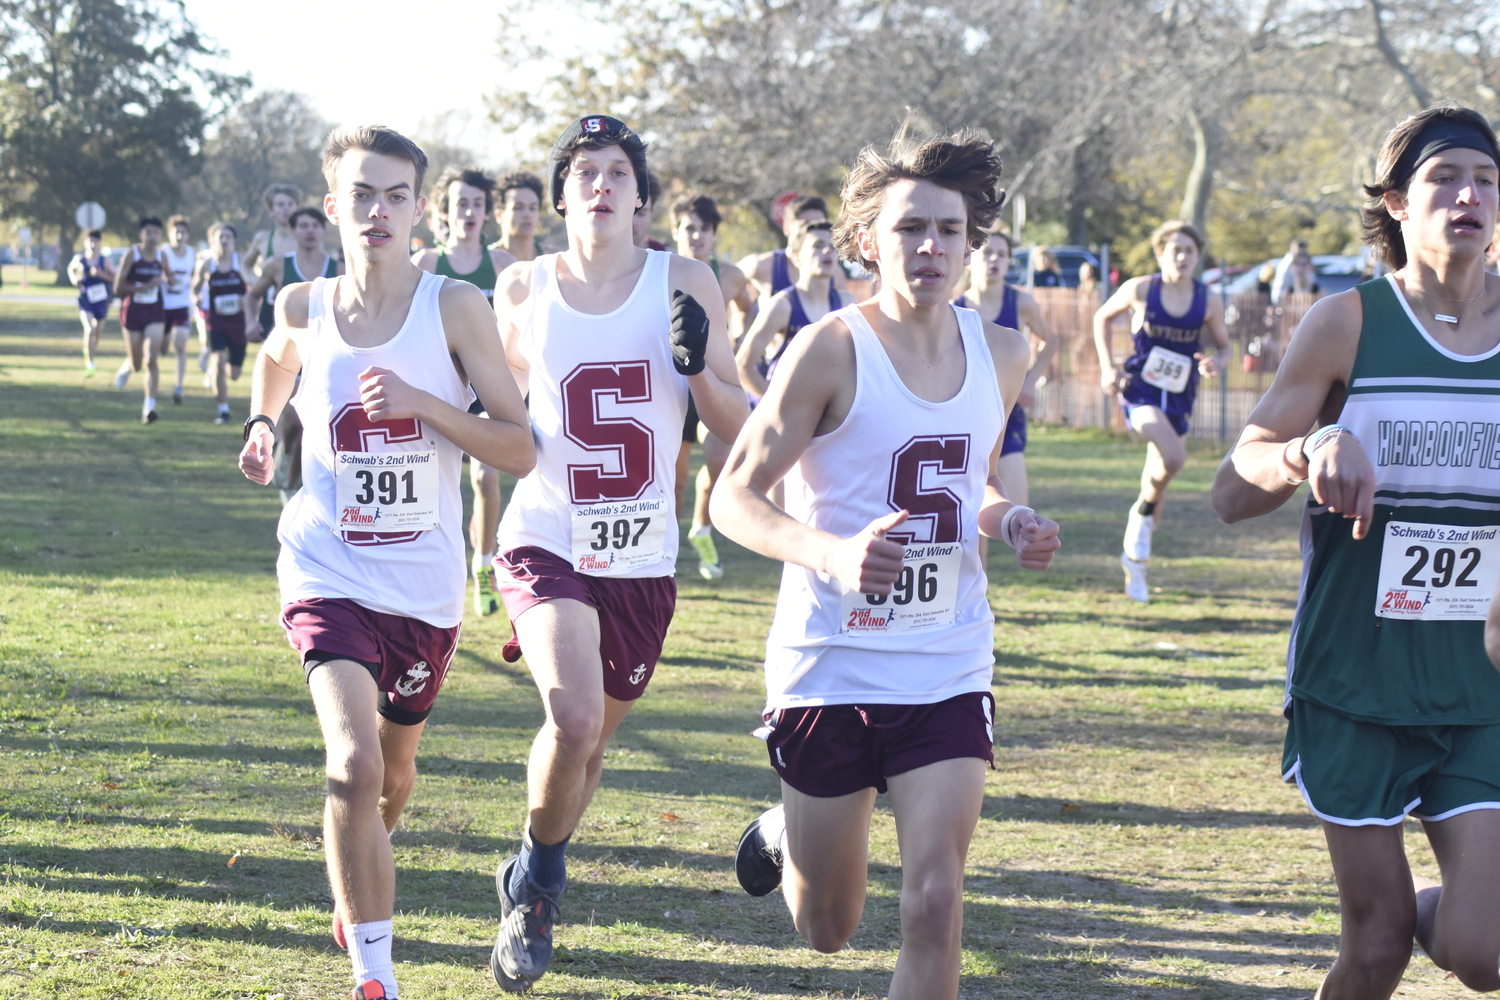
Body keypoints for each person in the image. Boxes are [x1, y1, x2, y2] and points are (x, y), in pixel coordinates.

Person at [711, 129, 1060, 1000]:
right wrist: (831, 553)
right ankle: (794, 829)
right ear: (870, 241)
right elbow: (733, 498)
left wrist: (1008, 517)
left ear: (973, 243)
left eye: (950, 230)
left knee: (936, 899)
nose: (932, 248)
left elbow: (961, 482)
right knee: (826, 928)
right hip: (830, 664)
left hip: (946, 655)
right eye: (910, 229)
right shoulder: (828, 349)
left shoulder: (1004, 352)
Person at [1211, 102, 1500, 1000]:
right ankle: (1401, 918)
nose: (1469, 195)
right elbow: (1231, 486)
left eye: (1486, 180)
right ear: (1396, 204)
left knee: (1485, 955)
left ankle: (1434, 910)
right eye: (1445, 178)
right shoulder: (1347, 324)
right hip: (1355, 677)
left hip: (1478, 679)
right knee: (1372, 953)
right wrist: (1310, 448)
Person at [238, 125, 533, 1000]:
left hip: (425, 587)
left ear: (418, 208)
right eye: (360, 194)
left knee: (392, 776)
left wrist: (422, 406)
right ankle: (376, 973)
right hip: (326, 567)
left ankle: (364, 854)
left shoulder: (455, 309)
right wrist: (262, 424)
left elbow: (518, 449)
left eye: (395, 195)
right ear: (331, 207)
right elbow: (275, 359)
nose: (377, 210)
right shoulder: (304, 302)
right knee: (353, 764)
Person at [487, 114, 746, 992]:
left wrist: (701, 369)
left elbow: (737, 427)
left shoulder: (689, 280)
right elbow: (495, 413)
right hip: (546, 534)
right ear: (561, 194)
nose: (600, 185)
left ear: (642, 197)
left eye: (618, 173)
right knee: (575, 721)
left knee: (588, 754)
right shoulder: (521, 288)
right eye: (584, 172)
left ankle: (529, 867)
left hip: (642, 553)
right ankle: (540, 893)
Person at [1092, 220, 1230, 601]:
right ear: (1160, 253)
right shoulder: (1140, 289)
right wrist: (1108, 366)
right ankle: (1141, 516)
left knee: (1159, 476)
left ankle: (1135, 565)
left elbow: (1225, 346)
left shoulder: (1208, 300)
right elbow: (1102, 317)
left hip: (1181, 395)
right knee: (1173, 457)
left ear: (1198, 256)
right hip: (1140, 390)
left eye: (1190, 251)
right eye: (1175, 250)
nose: (1183, 257)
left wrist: (1217, 361)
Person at [413, 166, 519, 615]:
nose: (470, 211)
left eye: (477, 203)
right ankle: (424, 566)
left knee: (485, 476)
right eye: (461, 203)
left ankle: (483, 563)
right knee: (428, 484)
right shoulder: (422, 265)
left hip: (486, 391)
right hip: (436, 390)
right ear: (444, 211)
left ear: (488, 212)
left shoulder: (504, 266)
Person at [953, 228, 1060, 564]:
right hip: (965, 414)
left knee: (1016, 510)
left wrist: (1030, 381)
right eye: (987, 253)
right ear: (971, 259)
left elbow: (1051, 341)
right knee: (969, 516)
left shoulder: (1020, 302)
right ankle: (976, 587)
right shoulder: (954, 306)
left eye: (1001, 254)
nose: (994, 260)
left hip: (1007, 415)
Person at [671, 192, 754, 579]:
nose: (696, 236)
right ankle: (665, 548)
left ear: (714, 235)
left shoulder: (730, 275)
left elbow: (748, 307)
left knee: (721, 459)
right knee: (676, 476)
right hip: (673, 382)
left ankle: (701, 527)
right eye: (689, 228)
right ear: (675, 231)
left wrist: (740, 340)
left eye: (704, 230)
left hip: (716, 381)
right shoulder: (661, 271)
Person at [736, 220, 844, 403]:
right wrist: (778, 404)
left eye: (832, 246)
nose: (827, 251)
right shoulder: (781, 306)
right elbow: (742, 367)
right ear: (796, 258)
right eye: (817, 246)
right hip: (788, 418)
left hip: (827, 416)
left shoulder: (846, 304)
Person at [191, 222, 254, 424]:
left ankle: (219, 367)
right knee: (218, 361)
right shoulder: (206, 265)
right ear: (212, 241)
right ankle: (223, 410)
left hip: (238, 322)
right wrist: (197, 300)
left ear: (234, 241)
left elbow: (256, 287)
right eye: (221, 237)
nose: (225, 241)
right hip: (215, 321)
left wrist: (249, 299)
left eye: (229, 237)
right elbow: (193, 291)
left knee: (234, 374)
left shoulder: (241, 262)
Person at [111, 217, 172, 424]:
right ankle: (128, 366)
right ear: (141, 234)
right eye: (149, 232)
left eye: (156, 232)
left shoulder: (161, 256)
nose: (152, 236)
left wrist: (171, 279)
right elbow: (118, 290)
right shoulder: (131, 255)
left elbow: (171, 278)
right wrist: (143, 286)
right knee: (137, 364)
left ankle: (149, 406)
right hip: (132, 312)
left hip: (155, 312)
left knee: (150, 359)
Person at [737, 194, 847, 303]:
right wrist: (743, 313)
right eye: (806, 225)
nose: (813, 231)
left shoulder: (835, 273)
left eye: (819, 225)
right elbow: (729, 278)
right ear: (786, 228)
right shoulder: (764, 265)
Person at [247, 207, 343, 325]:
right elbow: (252, 296)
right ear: (293, 231)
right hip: (286, 339)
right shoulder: (277, 265)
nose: (310, 231)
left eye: (315, 225)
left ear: (323, 231)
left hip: (326, 340)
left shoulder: (340, 269)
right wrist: (251, 323)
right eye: (303, 226)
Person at [243, 182, 305, 341]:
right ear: (271, 211)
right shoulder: (263, 239)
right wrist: (254, 281)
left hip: (301, 310)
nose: (286, 208)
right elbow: (245, 265)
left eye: (291, 204)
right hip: (270, 309)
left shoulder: (306, 238)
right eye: (280, 205)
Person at [67, 229, 114, 375]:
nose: (92, 244)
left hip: (102, 302)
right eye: (90, 241)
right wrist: (75, 280)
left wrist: (101, 275)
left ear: (99, 243)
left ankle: (91, 356)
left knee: (96, 334)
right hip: (85, 301)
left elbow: (115, 278)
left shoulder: (104, 261)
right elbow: (70, 269)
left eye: (95, 241)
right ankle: (89, 363)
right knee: (89, 328)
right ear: (85, 242)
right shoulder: (80, 259)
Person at [162, 216, 197, 405]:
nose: (179, 235)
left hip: (182, 305)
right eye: (176, 231)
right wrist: (166, 278)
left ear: (187, 235)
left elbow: (194, 276)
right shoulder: (163, 252)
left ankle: (178, 386)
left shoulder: (191, 253)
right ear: (169, 234)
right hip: (162, 306)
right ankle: (128, 367)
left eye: (182, 232)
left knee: (180, 344)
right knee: (161, 349)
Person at [491, 172, 546, 263]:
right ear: (499, 215)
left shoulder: (551, 259)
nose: (527, 214)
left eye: (532, 208)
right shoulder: (487, 259)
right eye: (518, 208)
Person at [631, 170, 670, 251]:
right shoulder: (599, 257)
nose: (633, 222)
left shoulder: (666, 258)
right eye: (627, 213)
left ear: (651, 214)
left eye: (641, 214)